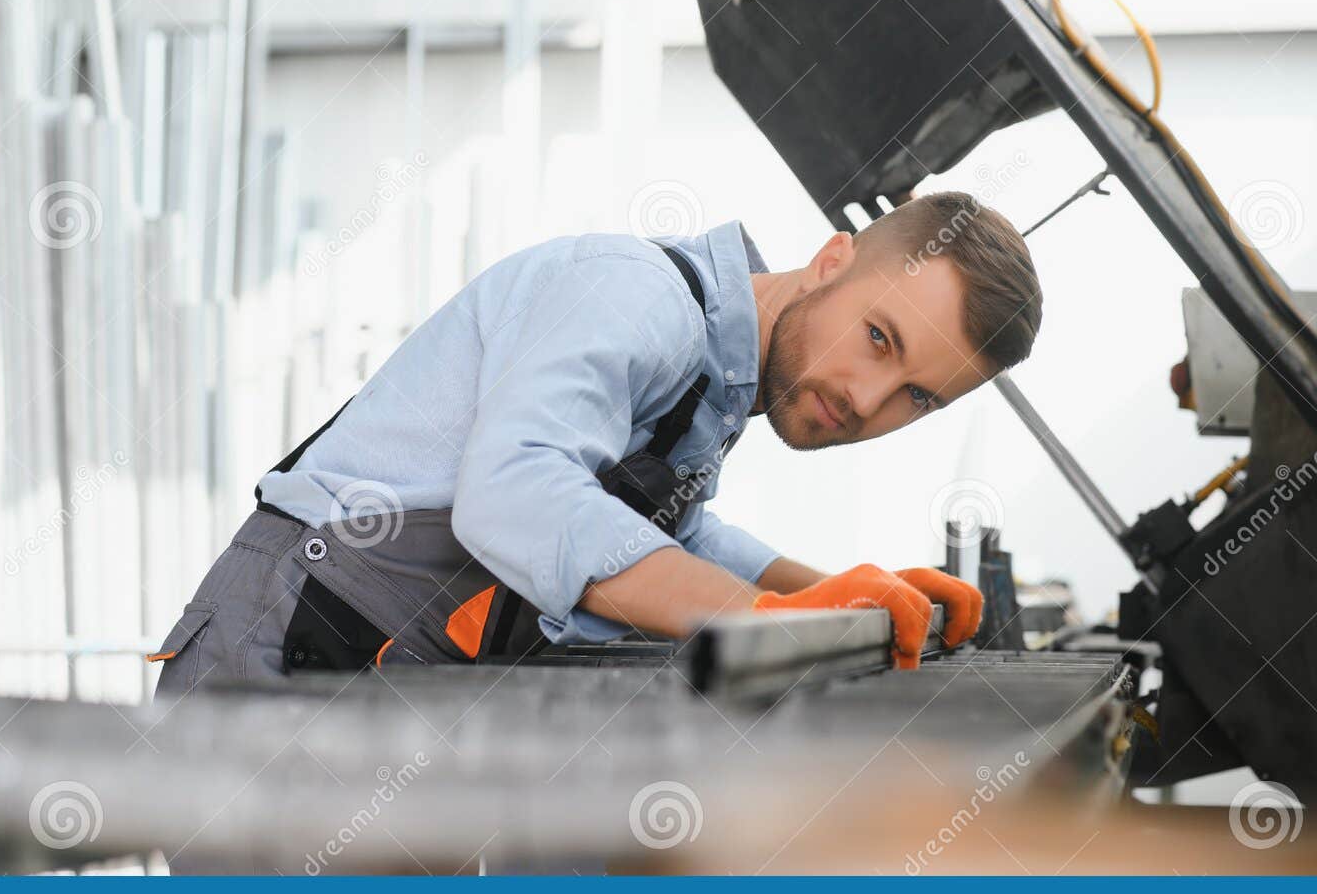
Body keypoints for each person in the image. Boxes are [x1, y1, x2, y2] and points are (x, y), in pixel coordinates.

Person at [149, 192, 1041, 695]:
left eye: (917, 396)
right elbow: (520, 495)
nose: (867, 396)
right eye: (879, 338)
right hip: (292, 645)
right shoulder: (642, 298)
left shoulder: (714, 381)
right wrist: (764, 621)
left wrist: (834, 593)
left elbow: (673, 540)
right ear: (832, 260)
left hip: (378, 667)